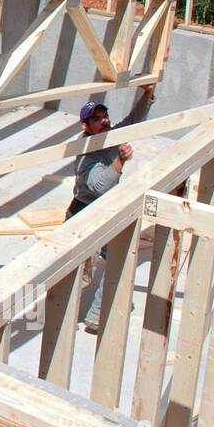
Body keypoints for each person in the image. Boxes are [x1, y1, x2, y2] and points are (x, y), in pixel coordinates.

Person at [66, 84, 156, 333]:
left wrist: (147, 94)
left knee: (118, 256)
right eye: (97, 119)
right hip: (83, 213)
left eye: (105, 116)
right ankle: (62, 316)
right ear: (86, 126)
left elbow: (132, 121)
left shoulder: (107, 137)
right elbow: (98, 186)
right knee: (73, 270)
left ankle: (95, 316)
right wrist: (120, 160)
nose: (104, 121)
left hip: (103, 211)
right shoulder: (87, 153)